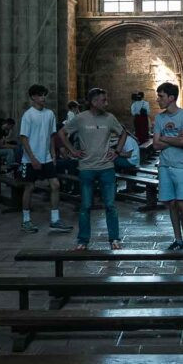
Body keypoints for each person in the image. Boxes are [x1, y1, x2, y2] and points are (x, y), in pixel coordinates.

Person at [60, 88, 127, 250]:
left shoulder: (110, 118)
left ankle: (114, 239)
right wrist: (72, 150)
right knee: (86, 205)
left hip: (106, 167)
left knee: (110, 205)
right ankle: (83, 240)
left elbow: (123, 133)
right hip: (86, 168)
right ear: (94, 102)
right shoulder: (80, 119)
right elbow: (62, 133)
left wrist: (117, 151)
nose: (107, 103)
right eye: (103, 100)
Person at [19, 84, 72, 234]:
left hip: (46, 157)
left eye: (44, 95)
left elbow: (51, 136)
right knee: (29, 187)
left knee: (55, 185)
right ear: (33, 97)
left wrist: (53, 154)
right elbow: (24, 139)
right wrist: (33, 158)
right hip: (30, 159)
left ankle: (55, 220)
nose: (43, 98)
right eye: (40, 95)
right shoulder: (28, 115)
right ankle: (26, 220)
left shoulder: (49, 114)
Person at [153, 82, 183, 250]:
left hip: (181, 165)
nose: (158, 100)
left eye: (161, 96)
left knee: (181, 203)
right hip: (164, 165)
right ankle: (177, 238)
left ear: (171, 98)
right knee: (170, 203)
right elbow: (155, 145)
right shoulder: (159, 118)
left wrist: (163, 138)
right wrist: (173, 140)